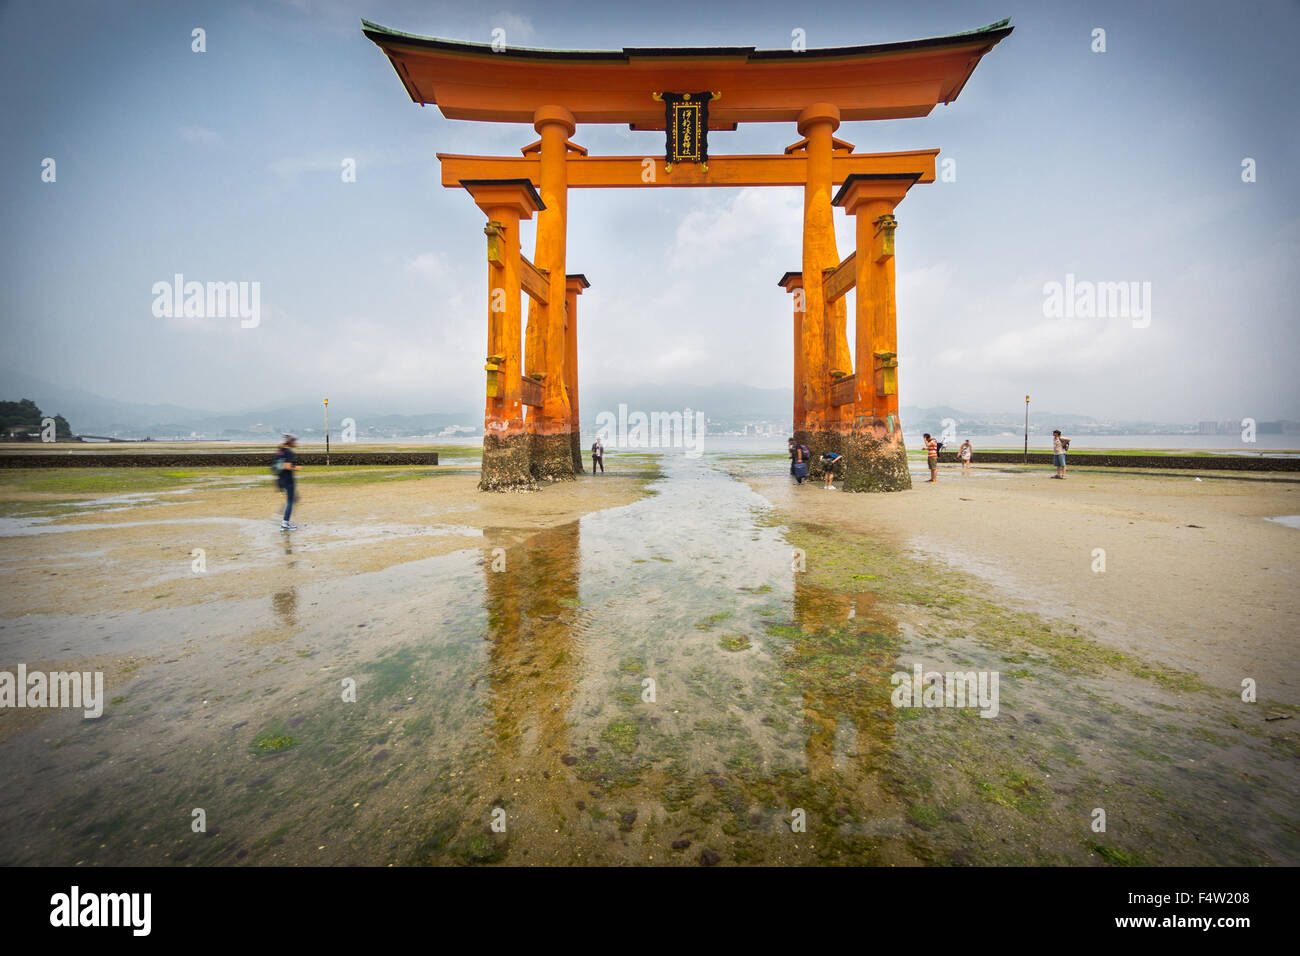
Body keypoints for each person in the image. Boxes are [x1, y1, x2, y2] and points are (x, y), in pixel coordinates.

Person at [272, 434, 299, 530]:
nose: (296, 442)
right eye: (295, 441)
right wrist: (297, 468)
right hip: (288, 480)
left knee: (293, 500)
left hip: (281, 479)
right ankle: (285, 523)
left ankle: (282, 518)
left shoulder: (280, 451)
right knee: (291, 501)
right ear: (290, 441)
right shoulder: (289, 452)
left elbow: (277, 466)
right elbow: (286, 466)